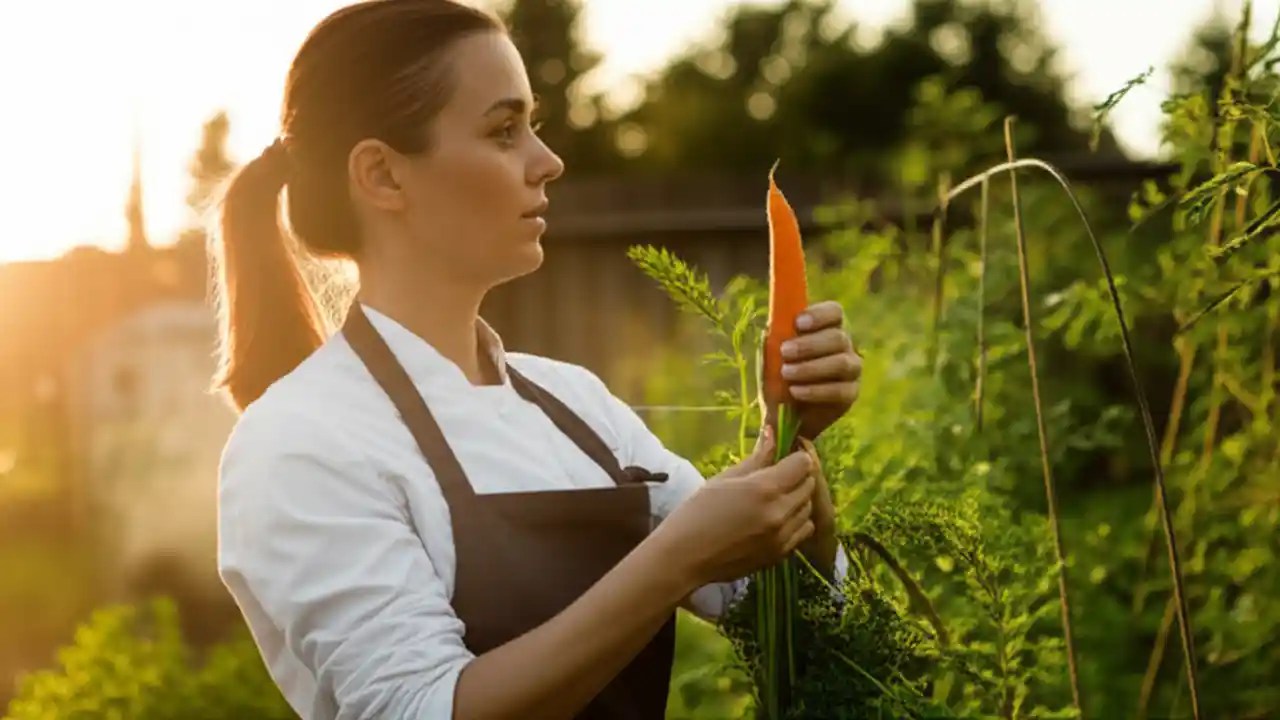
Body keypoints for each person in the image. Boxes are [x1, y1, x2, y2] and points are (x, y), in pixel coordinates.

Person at [211, 1, 864, 718]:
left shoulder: (574, 405)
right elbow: (418, 706)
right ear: (383, 177)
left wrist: (790, 440)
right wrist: (674, 559)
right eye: (503, 130)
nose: (548, 162)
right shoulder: (300, 441)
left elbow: (786, 621)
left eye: (534, 127)